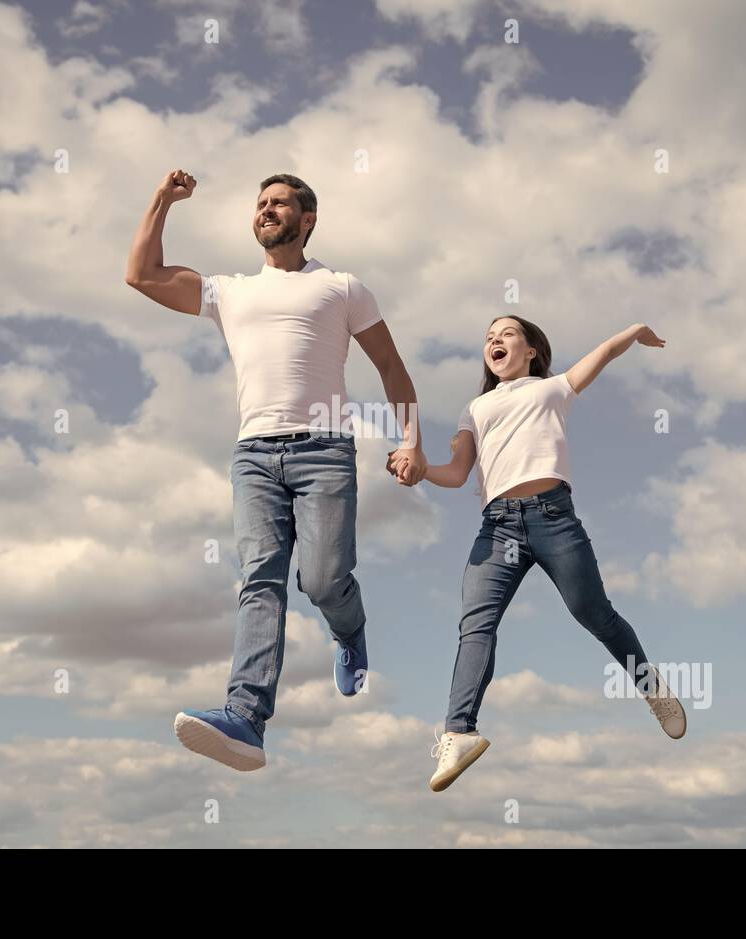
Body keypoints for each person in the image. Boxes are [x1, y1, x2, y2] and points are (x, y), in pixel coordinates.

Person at [126, 169, 428, 771]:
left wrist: (413, 440)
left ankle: (349, 629)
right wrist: (162, 200)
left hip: (326, 453)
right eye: (259, 203)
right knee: (260, 579)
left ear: (307, 218)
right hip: (254, 455)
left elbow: (391, 366)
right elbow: (141, 275)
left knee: (321, 580)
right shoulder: (229, 291)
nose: (265, 210)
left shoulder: (343, 288)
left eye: (278, 203)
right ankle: (246, 717)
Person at [388, 315, 686, 792]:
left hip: (553, 519)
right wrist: (419, 470)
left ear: (531, 350)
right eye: (487, 337)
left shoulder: (554, 389)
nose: (494, 341)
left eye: (505, 334)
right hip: (498, 527)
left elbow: (603, 353)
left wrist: (632, 332)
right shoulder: (476, 408)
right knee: (475, 625)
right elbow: (458, 472)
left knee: (593, 613)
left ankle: (650, 687)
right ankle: (459, 731)